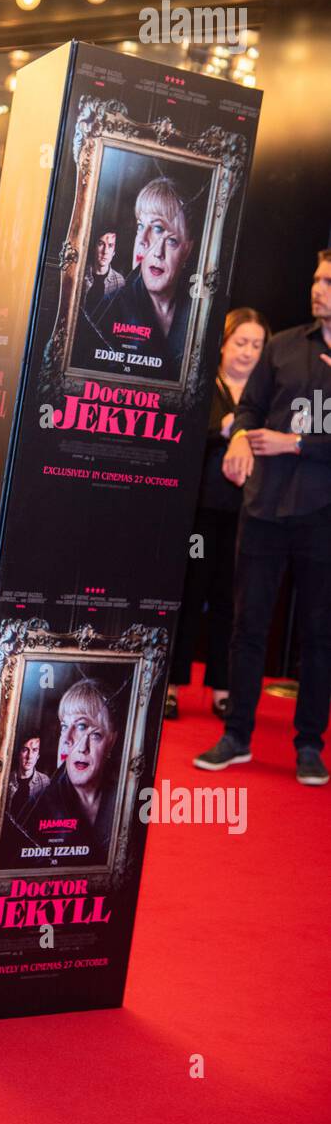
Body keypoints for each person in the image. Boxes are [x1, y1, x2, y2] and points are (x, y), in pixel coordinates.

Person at [194, 249, 331, 786]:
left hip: (323, 516)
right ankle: (238, 735)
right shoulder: (282, 347)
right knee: (247, 626)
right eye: (318, 278)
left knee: (320, 635)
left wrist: (297, 442)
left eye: (329, 281)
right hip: (264, 508)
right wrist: (245, 439)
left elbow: (295, 436)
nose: (319, 288)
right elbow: (249, 409)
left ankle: (309, 744)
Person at [165, 308, 269, 720]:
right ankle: (172, 684)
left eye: (257, 345)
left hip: (247, 512)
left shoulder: (265, 394)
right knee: (190, 594)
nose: (247, 352)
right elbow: (184, 435)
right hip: (201, 511)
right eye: (240, 342)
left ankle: (223, 688)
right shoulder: (202, 384)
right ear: (223, 343)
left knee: (232, 600)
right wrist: (222, 428)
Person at [91, 177, 195, 383]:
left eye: (161, 231)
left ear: (188, 249)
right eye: (140, 226)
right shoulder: (107, 310)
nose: (143, 241)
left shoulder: (199, 312)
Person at [22, 680, 119, 865]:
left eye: (82, 727)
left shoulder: (125, 796)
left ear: (112, 740)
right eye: (64, 727)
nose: (66, 739)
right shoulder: (37, 804)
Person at [81, 229, 125, 318]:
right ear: (94, 247)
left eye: (110, 246)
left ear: (114, 252)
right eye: (101, 244)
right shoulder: (80, 275)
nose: (105, 251)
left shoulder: (120, 282)